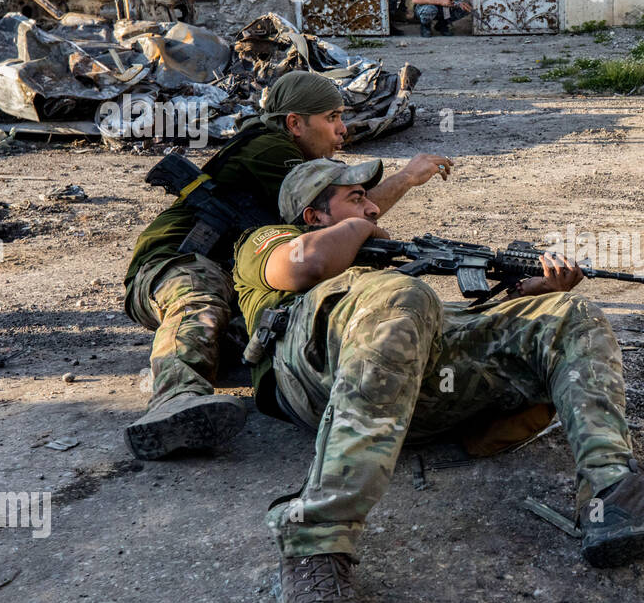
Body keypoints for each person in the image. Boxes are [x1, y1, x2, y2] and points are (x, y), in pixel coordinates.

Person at [233, 158, 644, 603]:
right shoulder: (268, 242)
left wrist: (533, 295)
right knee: (405, 295)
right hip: (315, 366)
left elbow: (457, 342)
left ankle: (612, 493)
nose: (372, 209)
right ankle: (315, 542)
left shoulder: (388, 282)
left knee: (567, 314)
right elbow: (308, 265)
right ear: (313, 215)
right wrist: (366, 233)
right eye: (356, 199)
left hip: (409, 382)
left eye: (371, 201)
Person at [122, 71, 453, 461]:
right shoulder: (271, 148)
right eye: (331, 118)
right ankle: (174, 400)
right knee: (201, 295)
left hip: (236, 275)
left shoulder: (288, 153)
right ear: (295, 123)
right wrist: (405, 179)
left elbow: (333, 227)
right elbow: (335, 216)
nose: (342, 129)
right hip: (174, 263)